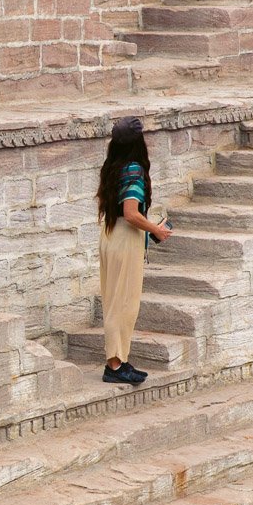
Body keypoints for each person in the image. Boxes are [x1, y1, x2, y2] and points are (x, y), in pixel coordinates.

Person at [97, 116, 172, 384]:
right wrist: (156, 229)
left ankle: (118, 361)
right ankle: (116, 366)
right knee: (124, 303)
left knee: (114, 301)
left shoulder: (112, 167)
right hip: (125, 239)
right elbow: (131, 213)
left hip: (109, 235)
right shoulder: (134, 170)